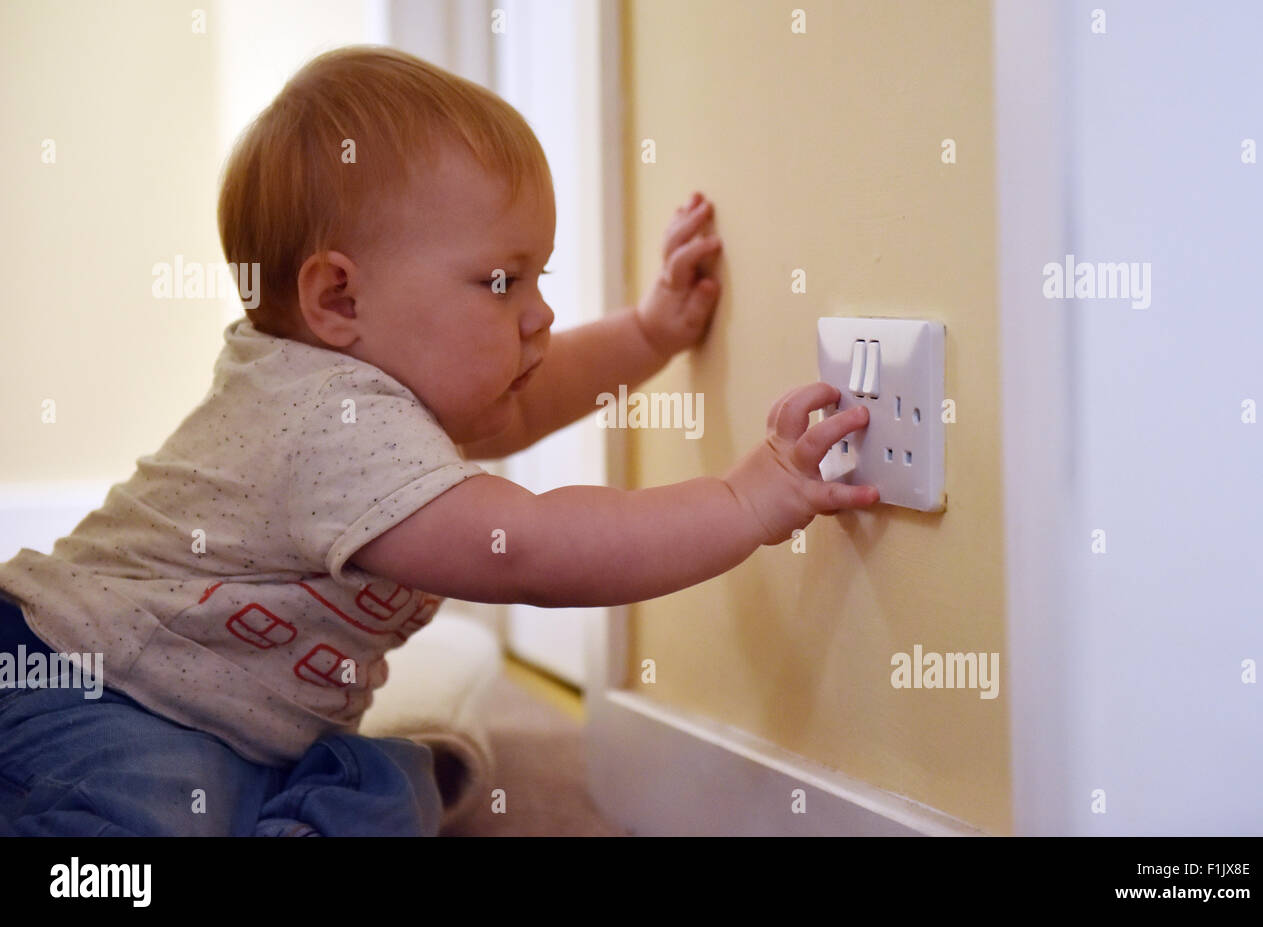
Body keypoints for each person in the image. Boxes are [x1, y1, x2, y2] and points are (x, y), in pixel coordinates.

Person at [0, 46, 878, 836]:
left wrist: (650, 333)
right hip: (91, 684)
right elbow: (531, 550)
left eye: (539, 274)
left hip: (239, 732)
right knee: (150, 809)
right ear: (339, 299)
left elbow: (524, 404)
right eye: (501, 281)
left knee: (396, 780)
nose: (540, 312)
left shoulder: (385, 390)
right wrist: (743, 500)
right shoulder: (326, 420)